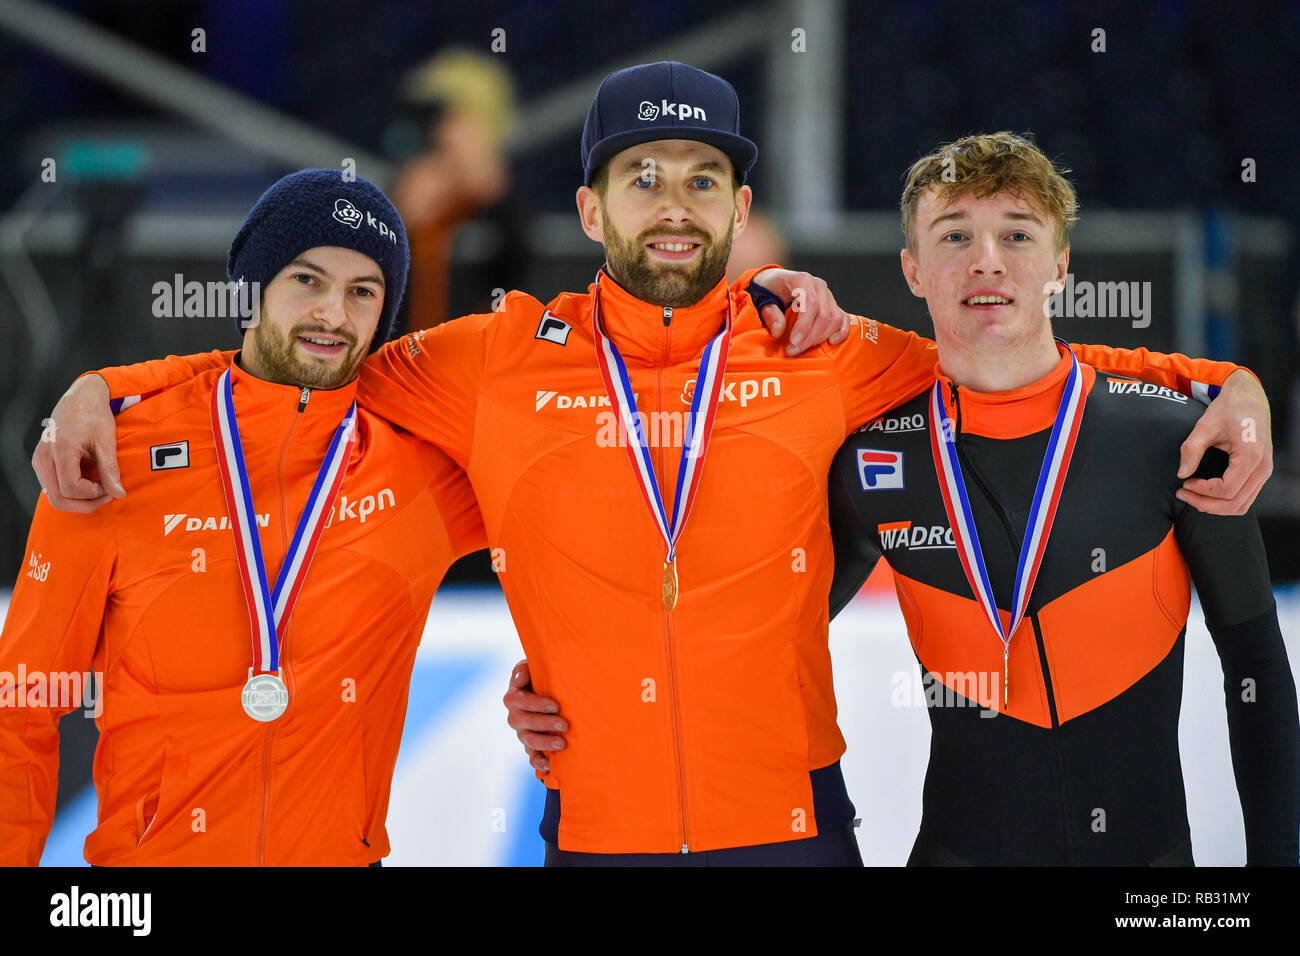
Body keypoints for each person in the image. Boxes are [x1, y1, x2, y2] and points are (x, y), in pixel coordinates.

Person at [34, 64, 1272, 866]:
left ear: (740, 212)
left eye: (702, 180)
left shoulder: (824, 352)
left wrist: (1226, 389)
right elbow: (304, 360)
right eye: (642, 178)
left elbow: (1013, 349)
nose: (671, 204)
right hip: (596, 838)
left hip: (796, 833)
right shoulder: (489, 360)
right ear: (589, 210)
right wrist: (113, 388)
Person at [507, 132, 1299, 867]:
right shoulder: (873, 454)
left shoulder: (1182, 440)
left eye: (1018, 234)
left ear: (1060, 265)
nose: (986, 261)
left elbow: (1257, 668)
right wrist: (579, 671)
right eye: (954, 235)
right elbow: (750, 627)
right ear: (914, 269)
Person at [0, 170, 486, 865]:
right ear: (250, 289)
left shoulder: (422, 470)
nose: (333, 315)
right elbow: (20, 706)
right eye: (307, 281)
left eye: (363, 291)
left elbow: (583, 497)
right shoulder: (113, 457)